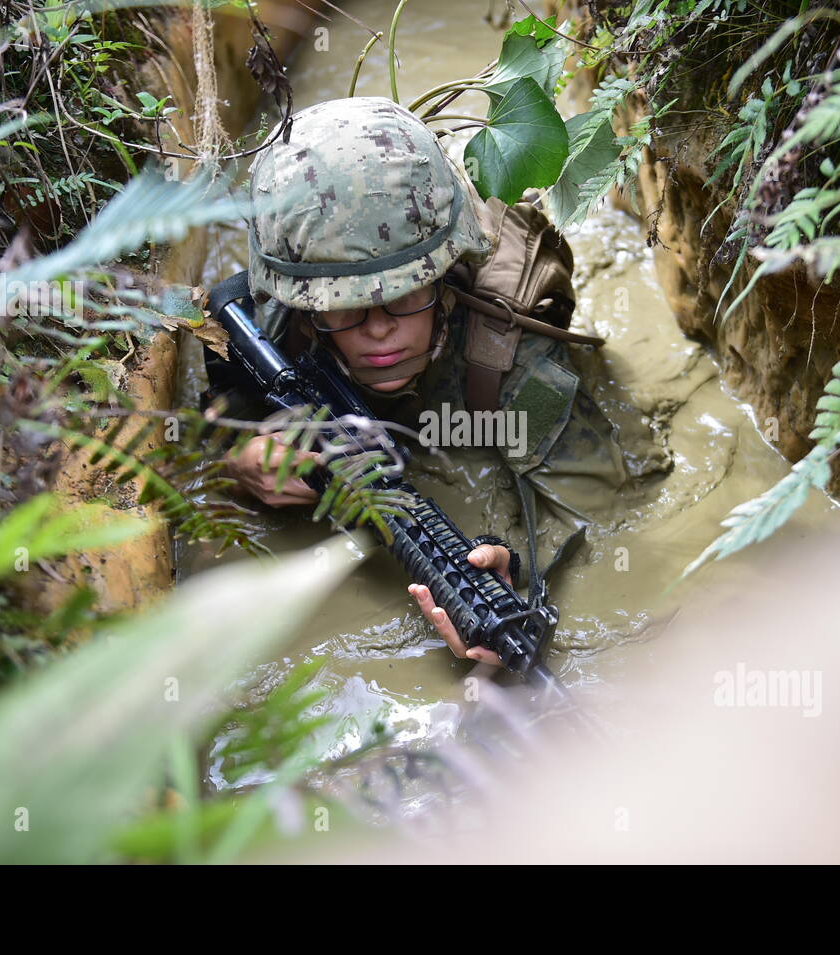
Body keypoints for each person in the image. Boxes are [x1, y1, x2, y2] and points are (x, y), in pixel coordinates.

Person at [203, 96, 627, 667]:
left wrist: (512, 564)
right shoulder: (272, 321)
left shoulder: (510, 359)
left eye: (404, 295)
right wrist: (239, 463)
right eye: (345, 305)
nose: (378, 330)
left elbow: (605, 515)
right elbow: (207, 435)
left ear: (445, 274)